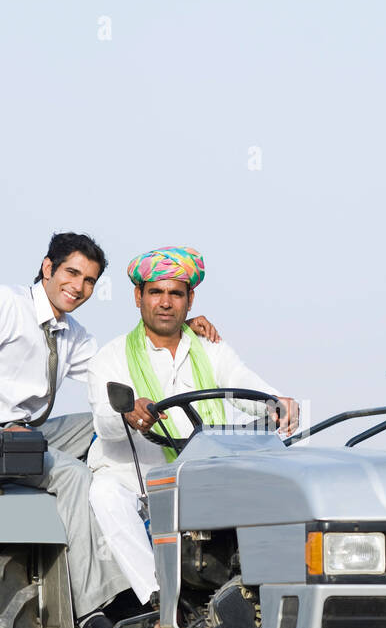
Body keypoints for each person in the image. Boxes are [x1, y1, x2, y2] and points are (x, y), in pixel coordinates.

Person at [0, 232, 218, 628]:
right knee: (75, 477)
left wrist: (175, 326)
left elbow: (116, 375)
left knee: (113, 420)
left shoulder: (74, 334)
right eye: (71, 273)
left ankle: (151, 527)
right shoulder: (0, 303)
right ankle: (98, 605)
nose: (78, 287)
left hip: (28, 433)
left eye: (89, 281)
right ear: (48, 268)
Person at [86, 245, 298, 603]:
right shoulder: (110, 357)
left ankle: (267, 592)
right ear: (138, 297)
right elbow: (104, 421)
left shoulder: (210, 348)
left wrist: (278, 402)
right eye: (156, 292)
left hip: (201, 472)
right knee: (103, 493)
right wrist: (128, 414)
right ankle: (158, 596)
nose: (165, 302)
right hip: (138, 479)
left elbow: (244, 384)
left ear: (190, 299)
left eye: (175, 294)